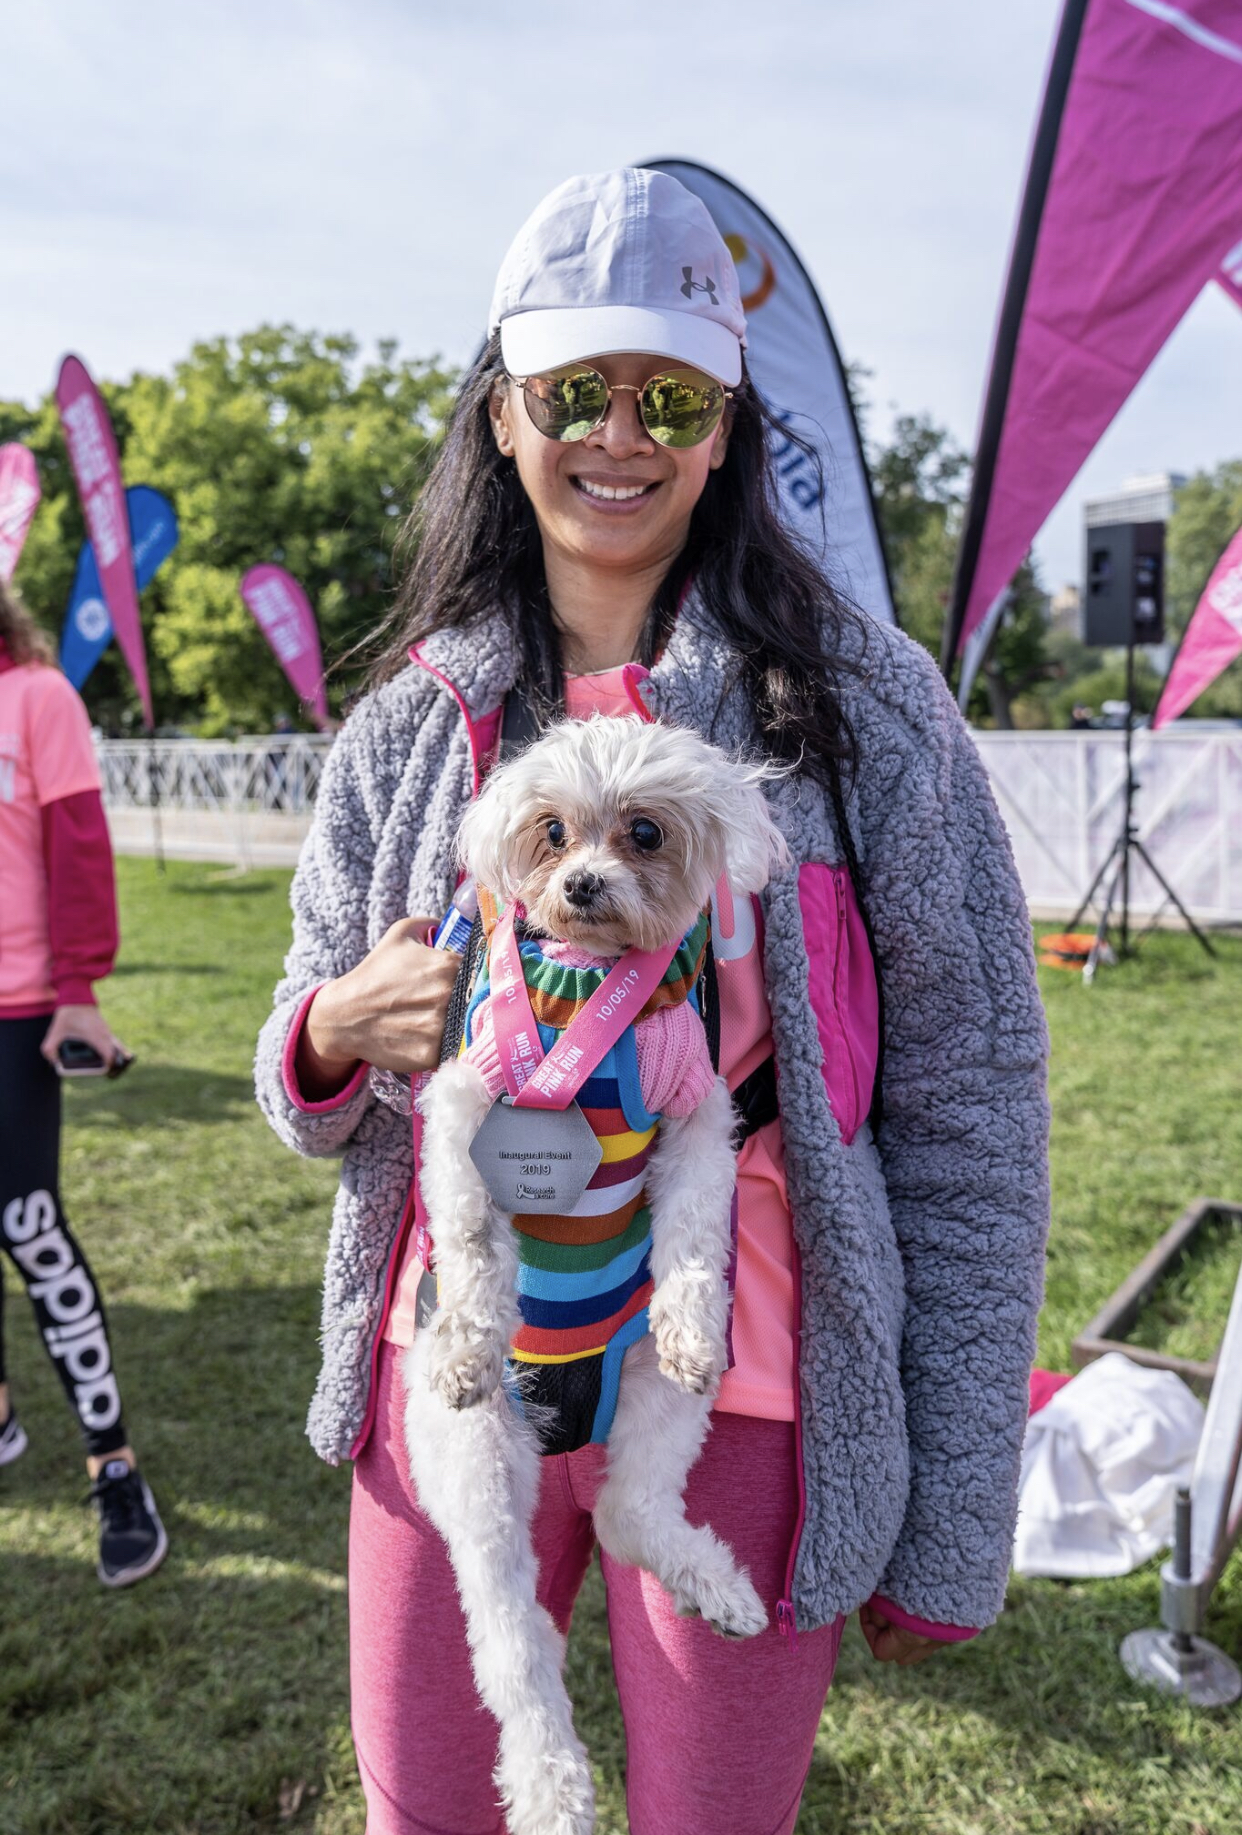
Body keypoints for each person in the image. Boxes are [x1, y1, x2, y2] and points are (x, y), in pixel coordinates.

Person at [256, 168, 1050, 1835]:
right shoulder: (414, 724)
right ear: (501, 412)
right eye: (573, 393)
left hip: (736, 1382)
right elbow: (302, 1055)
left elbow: (973, 1120)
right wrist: (330, 1034)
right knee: (435, 1814)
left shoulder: (866, 712)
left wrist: (955, 1502)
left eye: (668, 395)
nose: (618, 434)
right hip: (454, 1362)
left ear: (723, 422)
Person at [0, 577, 167, 1588]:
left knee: (29, 1224)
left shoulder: (36, 695)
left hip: (19, 1007)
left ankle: (114, 1466)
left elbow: (77, 847)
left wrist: (80, 990)